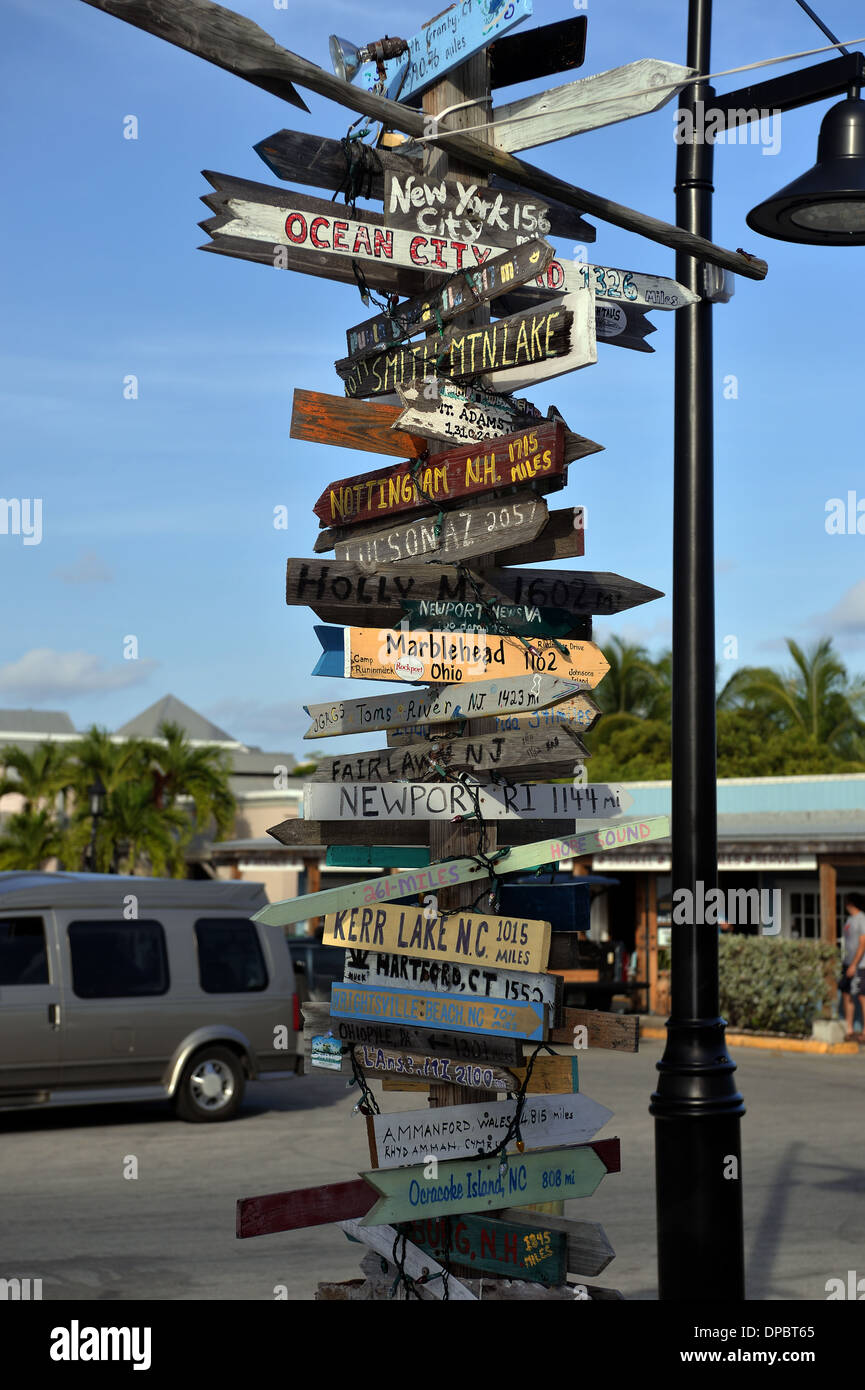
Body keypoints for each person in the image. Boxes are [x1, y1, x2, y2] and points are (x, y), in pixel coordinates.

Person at [841, 893, 865, 1042]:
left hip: (861, 965)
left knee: (863, 996)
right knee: (846, 993)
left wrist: (854, 964)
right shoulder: (849, 919)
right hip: (847, 963)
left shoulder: (862, 918)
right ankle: (849, 1029)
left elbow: (863, 943)